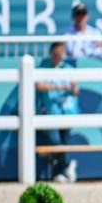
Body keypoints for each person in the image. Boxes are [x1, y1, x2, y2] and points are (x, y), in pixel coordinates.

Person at [37, 42, 80, 182]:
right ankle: (68, 165)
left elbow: (75, 91)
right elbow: (39, 85)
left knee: (64, 142)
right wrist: (60, 87)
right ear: (51, 53)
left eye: (59, 54)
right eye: (55, 54)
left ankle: (58, 173)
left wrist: (72, 89)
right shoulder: (43, 68)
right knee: (56, 142)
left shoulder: (69, 69)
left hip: (66, 111)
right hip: (50, 111)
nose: (57, 57)